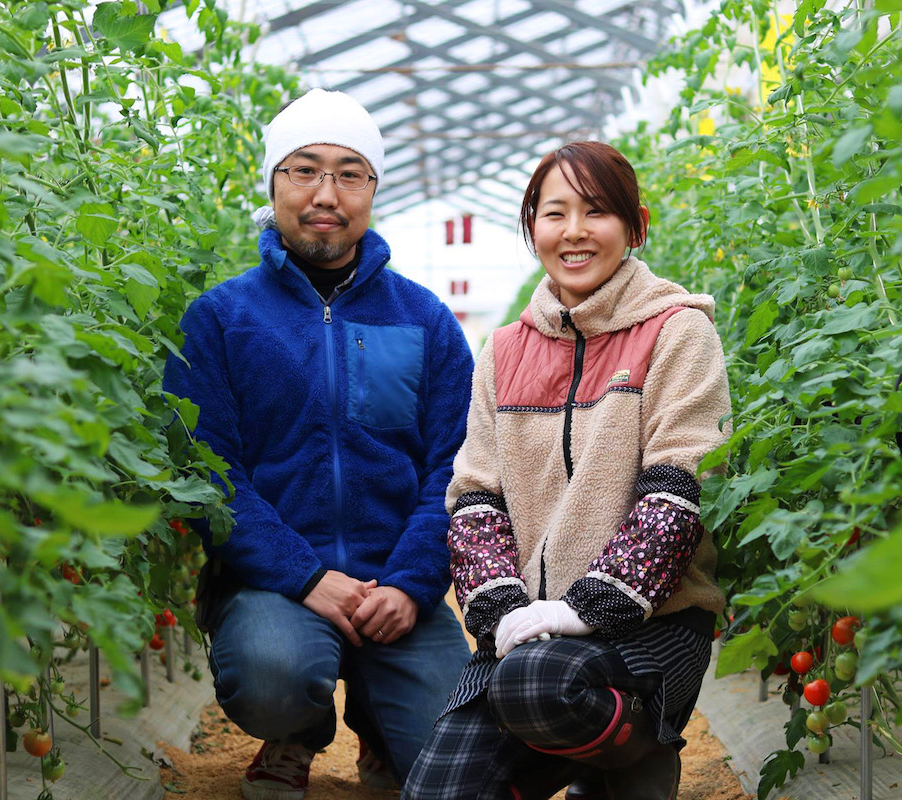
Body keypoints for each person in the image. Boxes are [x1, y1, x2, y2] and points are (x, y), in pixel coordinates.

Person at [163, 89, 474, 800]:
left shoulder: (424, 320)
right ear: (272, 184)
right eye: (304, 170)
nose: (325, 194)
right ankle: (295, 734)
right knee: (274, 673)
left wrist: (411, 582)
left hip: (395, 583)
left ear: (372, 189)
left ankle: (379, 725)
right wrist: (305, 576)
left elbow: (456, 470)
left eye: (349, 172)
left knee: (453, 754)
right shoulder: (221, 320)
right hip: (276, 585)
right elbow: (211, 476)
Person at [403, 141, 733, 800]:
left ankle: (630, 758)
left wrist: (583, 608)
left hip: (651, 627)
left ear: (635, 226)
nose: (575, 231)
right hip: (532, 639)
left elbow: (681, 487)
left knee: (537, 684)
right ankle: (591, 760)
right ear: (532, 230)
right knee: (435, 793)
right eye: (554, 213)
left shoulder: (677, 332)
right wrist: (502, 614)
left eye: (597, 212)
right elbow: (475, 500)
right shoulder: (504, 351)